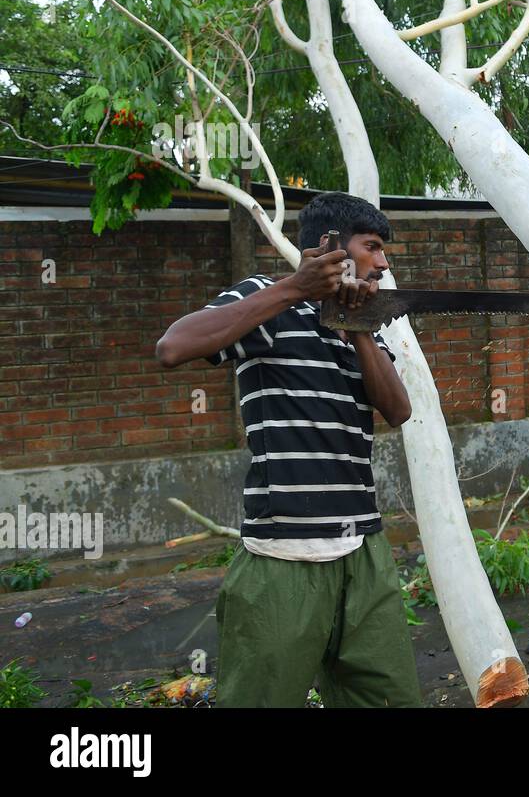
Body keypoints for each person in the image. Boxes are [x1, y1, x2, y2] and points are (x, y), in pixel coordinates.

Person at [156, 192, 420, 707]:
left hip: (364, 554)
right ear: (332, 248)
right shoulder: (266, 300)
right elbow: (173, 347)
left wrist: (358, 330)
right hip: (283, 559)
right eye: (373, 247)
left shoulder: (362, 324)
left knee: (389, 700)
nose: (384, 262)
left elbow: (398, 410)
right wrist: (292, 289)